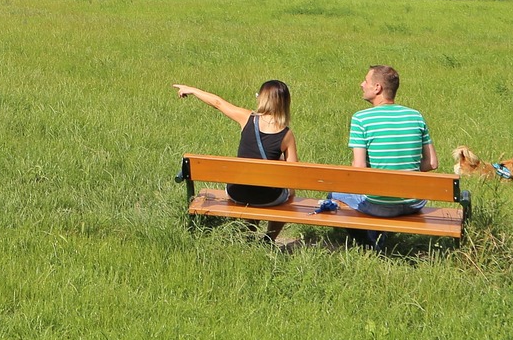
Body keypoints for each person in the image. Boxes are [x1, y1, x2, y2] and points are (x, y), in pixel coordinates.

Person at [174, 80, 299, 240]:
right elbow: (293, 174)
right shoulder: (286, 135)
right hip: (268, 198)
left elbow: (218, 103)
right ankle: (269, 239)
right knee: (288, 193)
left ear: (262, 99)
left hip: (237, 193)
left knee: (251, 184)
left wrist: (191, 89)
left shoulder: (247, 118)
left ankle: (250, 231)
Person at [319, 64, 435, 220]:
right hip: (414, 204)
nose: (362, 84)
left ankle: (367, 234)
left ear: (377, 88)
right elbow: (432, 163)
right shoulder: (416, 116)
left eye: (366, 81)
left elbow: (359, 168)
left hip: (379, 205)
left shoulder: (361, 119)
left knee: (334, 194)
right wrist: (403, 171)